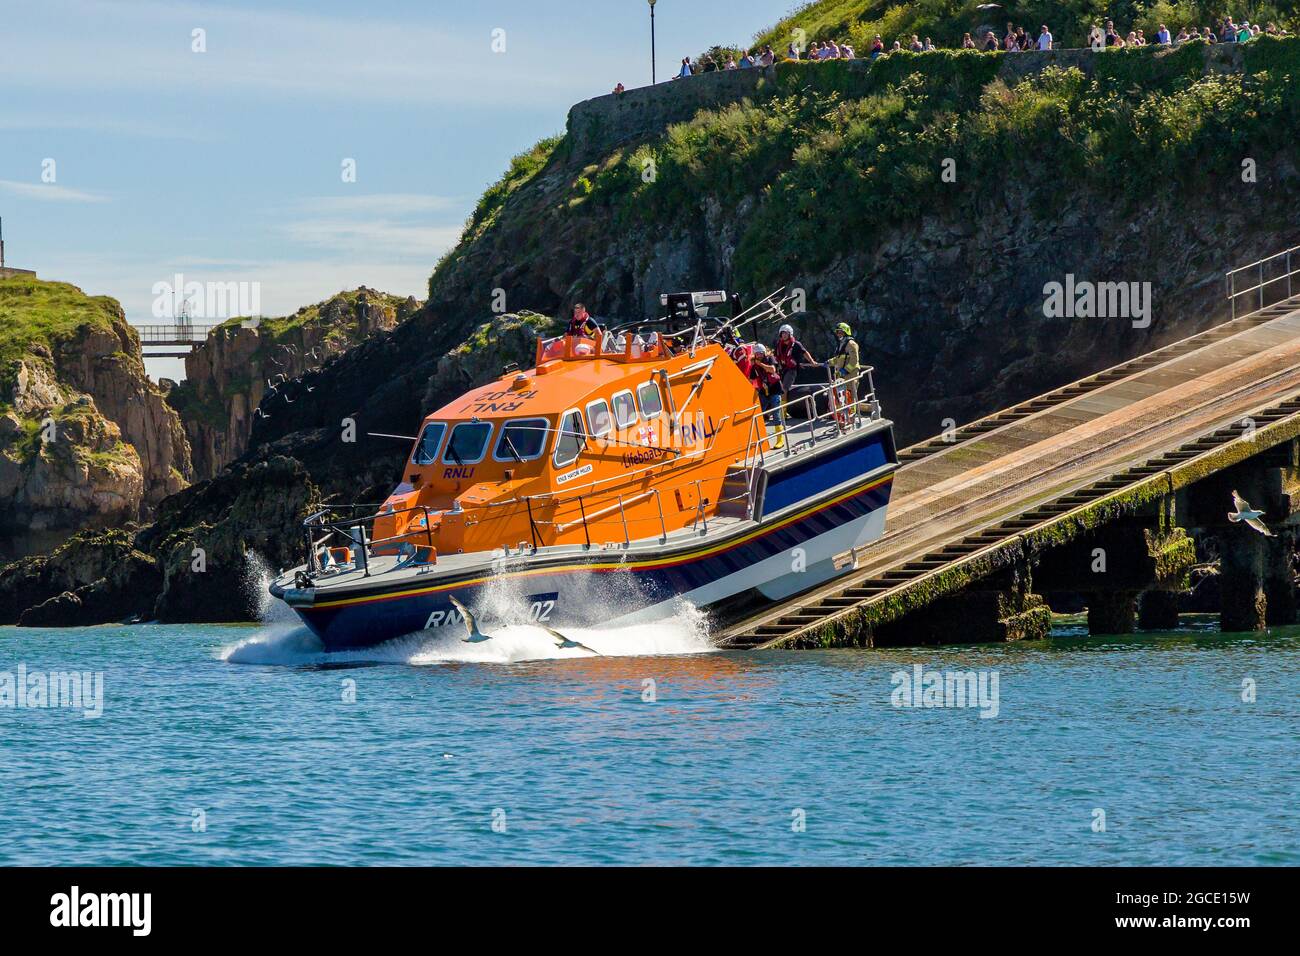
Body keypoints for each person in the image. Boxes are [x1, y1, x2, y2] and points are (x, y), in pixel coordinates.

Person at [825, 322, 862, 416]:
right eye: (837, 332)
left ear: (845, 332)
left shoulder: (851, 344)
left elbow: (854, 360)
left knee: (851, 393)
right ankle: (843, 414)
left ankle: (852, 414)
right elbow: (839, 358)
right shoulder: (842, 344)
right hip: (841, 374)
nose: (838, 334)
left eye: (840, 332)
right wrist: (829, 362)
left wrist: (846, 370)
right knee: (841, 395)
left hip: (851, 373)